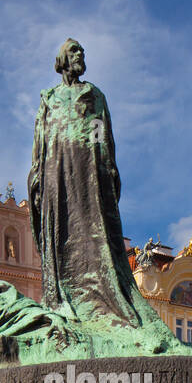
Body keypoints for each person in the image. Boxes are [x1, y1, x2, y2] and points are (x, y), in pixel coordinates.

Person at [28, 39, 164, 331]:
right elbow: (40, 139)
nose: (80, 56)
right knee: (60, 230)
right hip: (56, 168)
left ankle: (101, 299)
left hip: (87, 168)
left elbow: (101, 134)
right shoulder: (49, 98)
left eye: (82, 52)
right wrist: (37, 171)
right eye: (74, 51)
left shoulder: (93, 95)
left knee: (94, 229)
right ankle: (61, 296)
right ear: (62, 59)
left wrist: (106, 166)